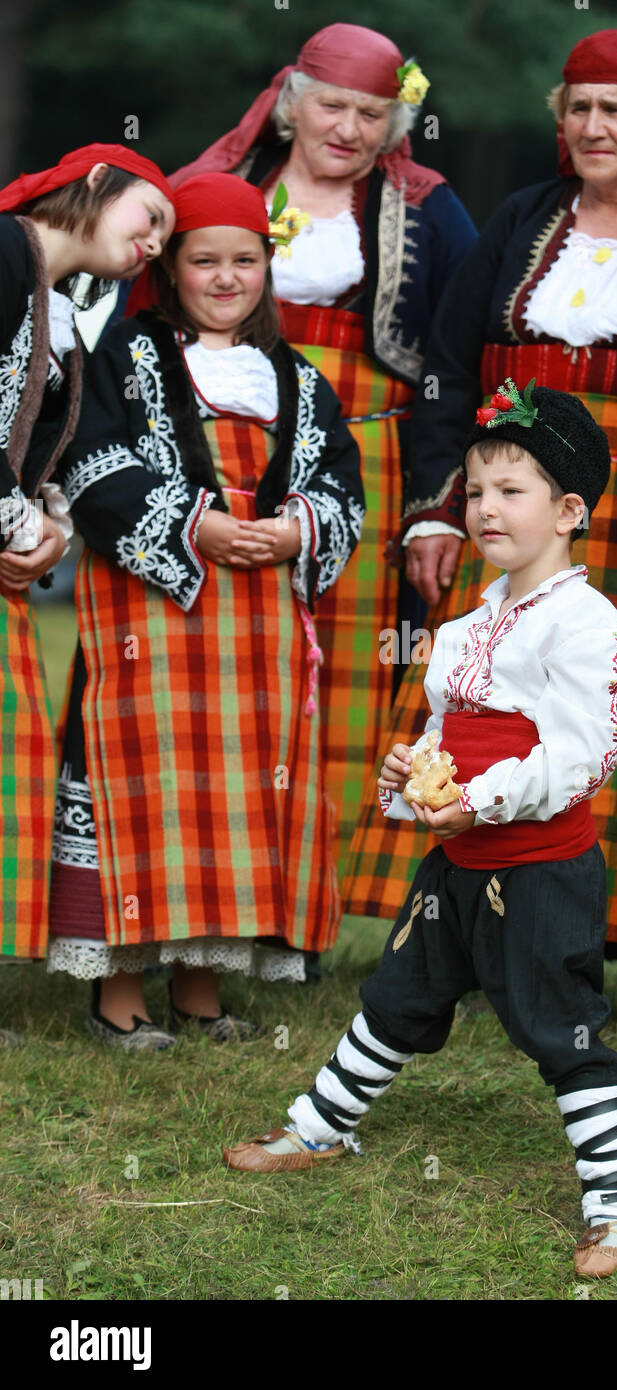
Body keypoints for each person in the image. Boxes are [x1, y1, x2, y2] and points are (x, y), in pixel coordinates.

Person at [223, 380, 617, 1279]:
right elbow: (440, 735)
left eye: (512, 490)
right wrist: (408, 776)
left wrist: (484, 799)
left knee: (561, 1030)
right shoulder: (463, 629)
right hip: (455, 863)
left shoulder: (588, 627)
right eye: (474, 491)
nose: (485, 507)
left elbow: (581, 758)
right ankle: (319, 1128)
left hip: (538, 869)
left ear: (570, 510)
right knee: (396, 995)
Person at [342, 29, 617, 949]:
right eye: (577, 108)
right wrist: (439, 508)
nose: (593, 126)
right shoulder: (518, 221)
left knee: (604, 711)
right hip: (510, 503)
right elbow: (449, 370)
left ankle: (597, 931)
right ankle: (459, 922)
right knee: (488, 696)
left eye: (615, 109)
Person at [46, 173, 363, 1049]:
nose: (226, 278)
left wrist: (297, 530)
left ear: (269, 265)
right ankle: (118, 996)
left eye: (246, 261)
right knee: (147, 784)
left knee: (236, 789)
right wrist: (198, 525)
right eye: (204, 260)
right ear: (170, 268)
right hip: (153, 613)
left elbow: (342, 481)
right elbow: (92, 461)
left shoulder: (296, 377)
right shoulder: (122, 354)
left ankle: (200, 992)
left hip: (258, 619)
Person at [167, 23, 477, 873]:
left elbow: (461, 355)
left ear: (394, 123)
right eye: (333, 105)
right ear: (293, 103)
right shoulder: (219, 187)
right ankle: (214, 875)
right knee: (224, 664)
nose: (349, 129)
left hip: (362, 463)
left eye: (372, 114)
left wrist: (436, 505)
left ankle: (307, 893)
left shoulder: (426, 207)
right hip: (216, 459)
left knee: (337, 678)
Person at [0, 144, 175, 1044]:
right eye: (149, 217)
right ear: (98, 184)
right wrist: (17, 527)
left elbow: (42, 453)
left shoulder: (62, 312)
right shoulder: (0, 251)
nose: (153, 243)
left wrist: (52, 523)